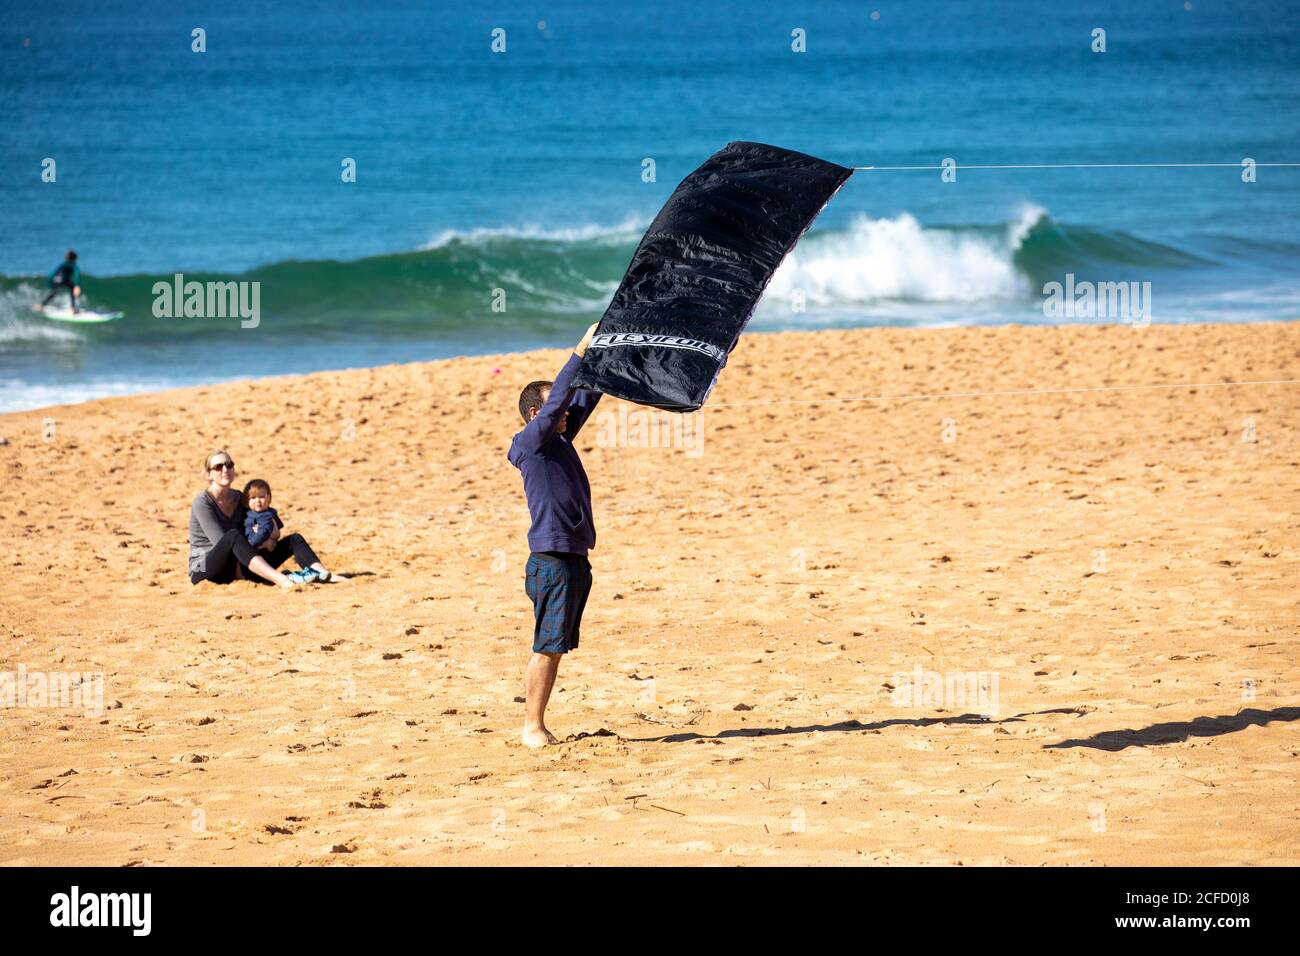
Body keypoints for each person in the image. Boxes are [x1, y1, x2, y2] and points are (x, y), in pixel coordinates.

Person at [507, 323, 602, 747]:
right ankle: (532, 727)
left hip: (572, 558)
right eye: (554, 411)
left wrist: (603, 354)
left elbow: (582, 395)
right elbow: (561, 400)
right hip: (552, 561)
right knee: (547, 645)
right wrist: (579, 349)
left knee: (556, 645)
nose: (566, 415)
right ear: (535, 416)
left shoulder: (559, 439)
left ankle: (537, 723)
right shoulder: (534, 443)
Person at [187, 451, 340, 588]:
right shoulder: (202, 503)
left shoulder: (240, 497)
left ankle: (325, 574)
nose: (225, 470)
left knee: (294, 540)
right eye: (218, 467)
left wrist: (269, 539)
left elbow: (273, 527)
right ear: (208, 474)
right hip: (203, 569)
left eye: (229, 465)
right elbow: (222, 543)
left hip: (240, 563)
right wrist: (262, 541)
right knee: (233, 536)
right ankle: (281, 579)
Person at [240, 477, 341, 583]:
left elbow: (271, 532)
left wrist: (266, 541)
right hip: (252, 562)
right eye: (253, 497)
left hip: (264, 555)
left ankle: (320, 571)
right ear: (247, 500)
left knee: (295, 539)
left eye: (261, 496)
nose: (257, 501)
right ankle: (296, 576)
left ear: (269, 498)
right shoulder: (247, 514)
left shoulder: (267, 514)